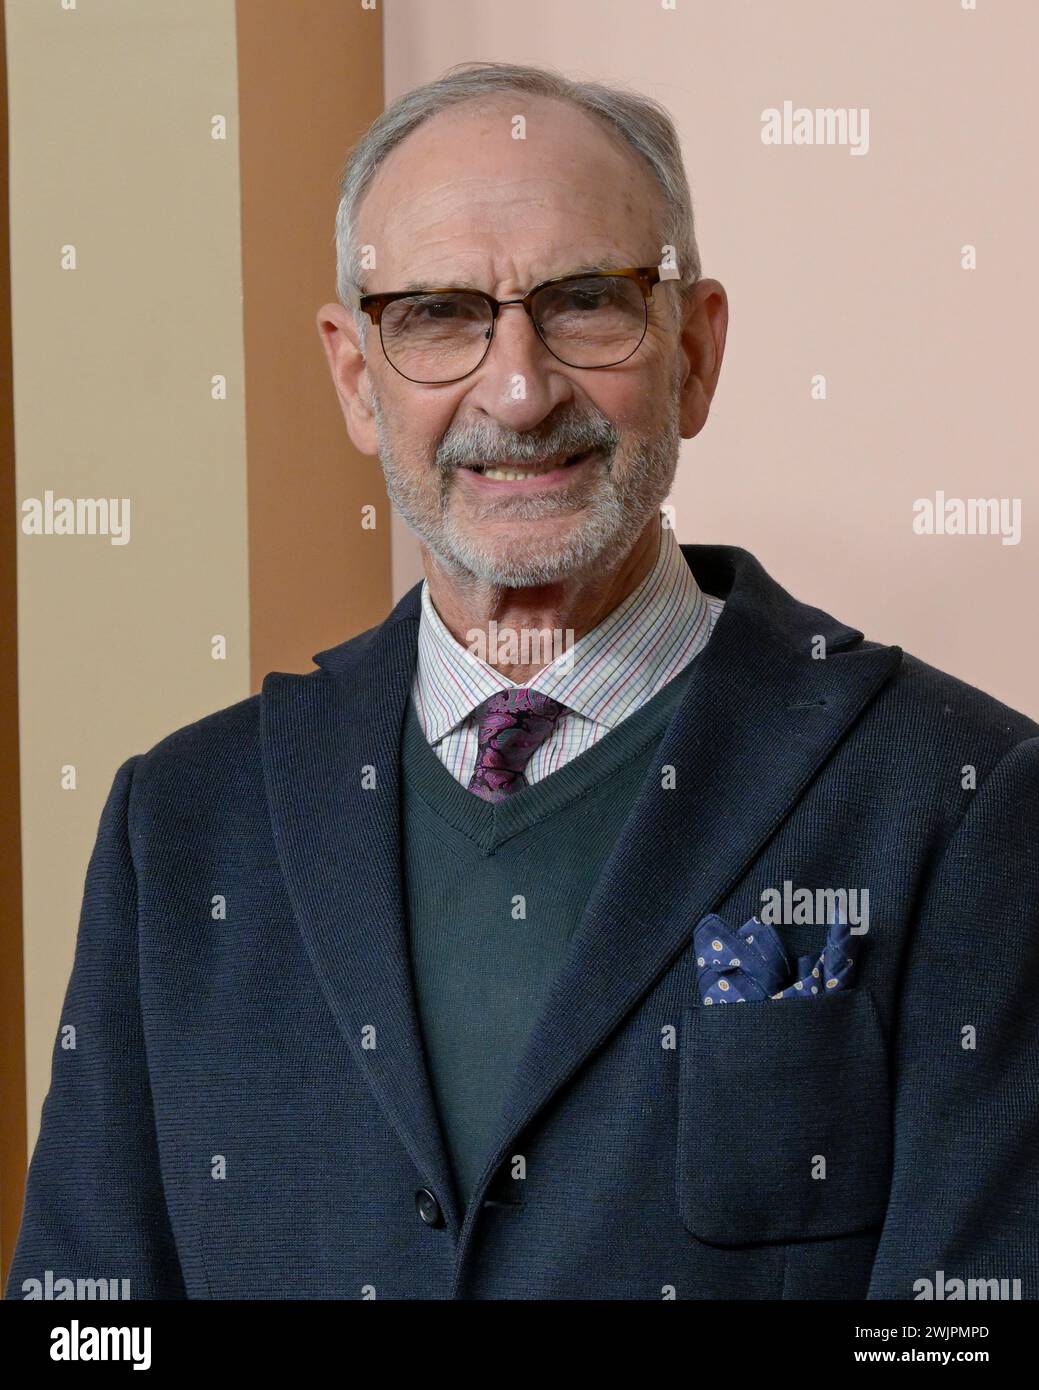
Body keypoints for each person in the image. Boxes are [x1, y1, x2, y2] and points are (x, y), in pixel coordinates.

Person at [7, 61, 1038, 1302]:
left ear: (696, 351)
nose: (517, 389)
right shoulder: (176, 825)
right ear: (354, 377)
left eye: (586, 303)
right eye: (438, 314)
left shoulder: (962, 796)